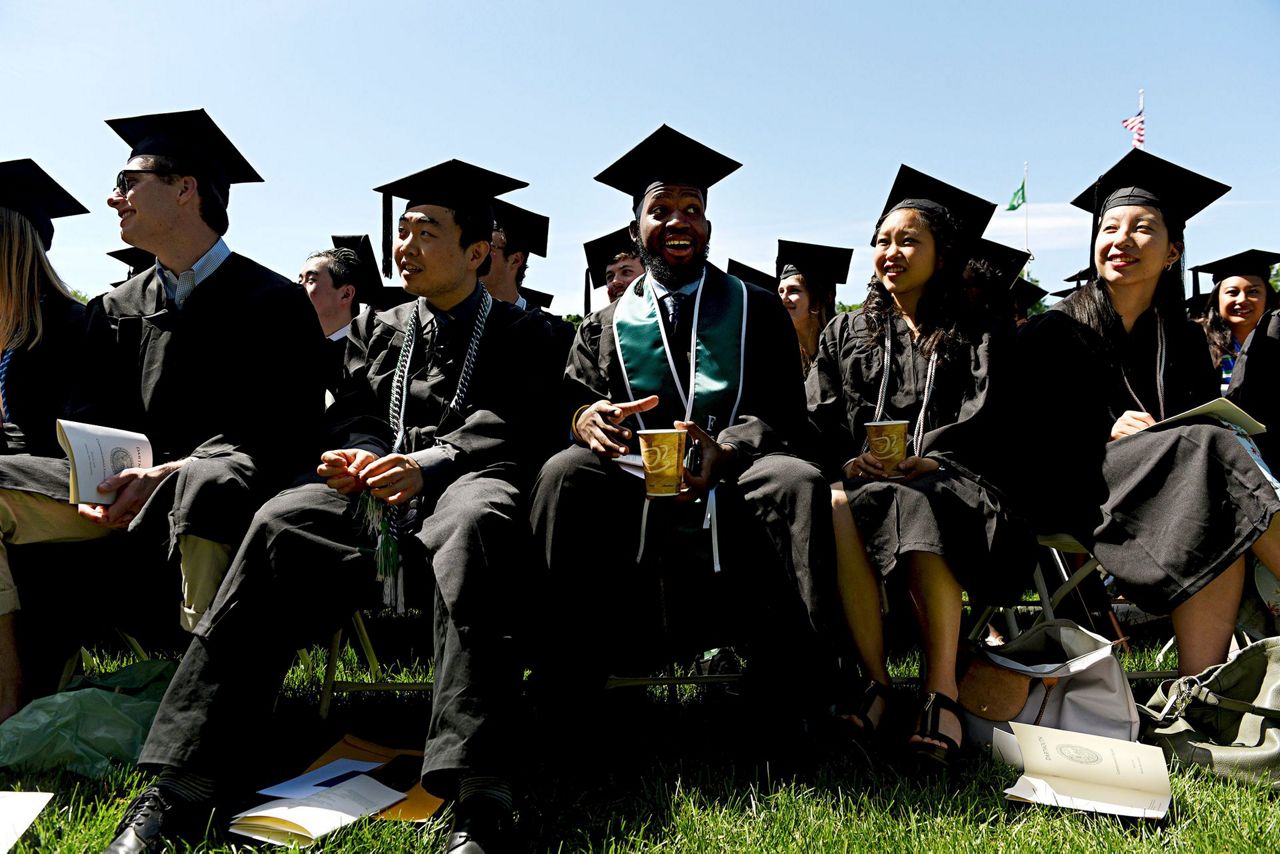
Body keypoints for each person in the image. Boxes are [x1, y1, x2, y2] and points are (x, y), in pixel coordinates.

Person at [103, 159, 563, 854]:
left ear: (476, 252)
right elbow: (357, 412)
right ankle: (182, 782)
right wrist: (353, 454)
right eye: (402, 230)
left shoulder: (528, 333)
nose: (404, 246)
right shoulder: (383, 327)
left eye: (426, 232)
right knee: (282, 521)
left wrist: (429, 463)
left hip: (467, 480)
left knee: (476, 524)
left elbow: (511, 426)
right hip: (374, 491)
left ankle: (478, 797)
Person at [0, 110, 326, 718]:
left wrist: (170, 470)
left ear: (185, 189)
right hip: (115, 495)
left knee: (210, 484)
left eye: (128, 182)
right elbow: (84, 414)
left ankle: (208, 715)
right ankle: (10, 701)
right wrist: (100, 467)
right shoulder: (115, 307)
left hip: (218, 492)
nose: (112, 197)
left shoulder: (271, 302)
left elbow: (281, 430)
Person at [530, 125, 836, 735]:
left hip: (736, 470)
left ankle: (795, 694)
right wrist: (583, 418)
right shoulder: (607, 322)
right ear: (634, 229)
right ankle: (561, 682)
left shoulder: (756, 308)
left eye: (692, 210)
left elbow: (784, 409)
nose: (679, 222)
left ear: (709, 228)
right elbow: (574, 401)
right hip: (630, 480)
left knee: (796, 480)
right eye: (661, 210)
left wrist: (728, 449)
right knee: (563, 474)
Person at [1017, 149, 1280, 679]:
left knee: (1212, 472)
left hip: (1166, 487)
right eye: (1110, 227)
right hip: (1075, 484)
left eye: (1143, 229)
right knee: (1209, 451)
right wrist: (1102, 429)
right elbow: (1022, 434)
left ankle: (1198, 689)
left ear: (1171, 252)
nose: (1121, 240)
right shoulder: (1055, 329)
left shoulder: (1182, 337)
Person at [808, 166, 1034, 774]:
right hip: (869, 484)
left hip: (960, 480)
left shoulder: (976, 327)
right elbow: (819, 415)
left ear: (943, 254)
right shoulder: (847, 331)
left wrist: (934, 455)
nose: (891, 252)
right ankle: (878, 686)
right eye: (883, 240)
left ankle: (942, 694)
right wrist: (848, 460)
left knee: (916, 496)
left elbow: (998, 417)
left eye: (909, 240)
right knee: (832, 500)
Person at [1190, 250, 1280, 392]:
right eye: (1232, 292)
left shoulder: (1275, 344)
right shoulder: (1195, 342)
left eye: (1253, 292)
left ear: (1268, 297)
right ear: (1216, 299)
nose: (1242, 300)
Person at [775, 240, 852, 374]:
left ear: (819, 298)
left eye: (793, 290)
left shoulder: (846, 349)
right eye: (781, 291)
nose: (783, 299)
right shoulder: (779, 352)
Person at [582, 226, 643, 314]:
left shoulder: (666, 318)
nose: (615, 281)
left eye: (626, 272)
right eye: (610, 277)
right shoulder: (595, 326)